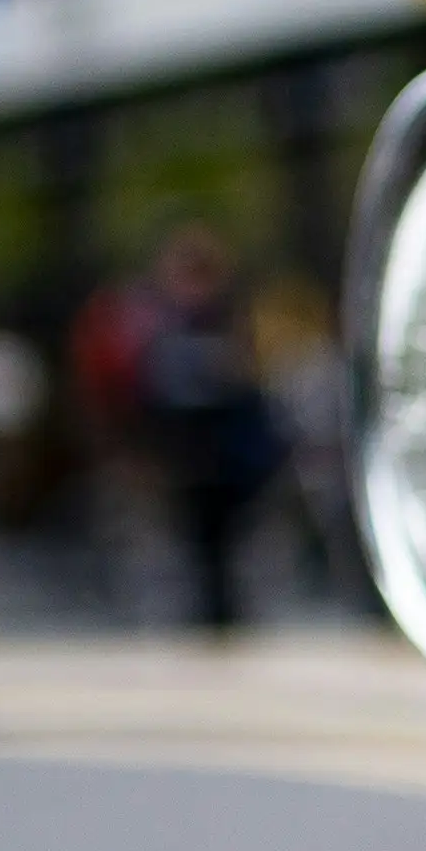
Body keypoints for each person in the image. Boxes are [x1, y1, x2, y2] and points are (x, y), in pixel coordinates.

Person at [132, 225, 279, 630]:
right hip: (185, 454)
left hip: (226, 456)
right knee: (194, 548)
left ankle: (224, 612)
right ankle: (202, 614)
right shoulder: (162, 326)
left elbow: (251, 385)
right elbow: (149, 394)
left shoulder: (233, 320)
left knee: (228, 546)